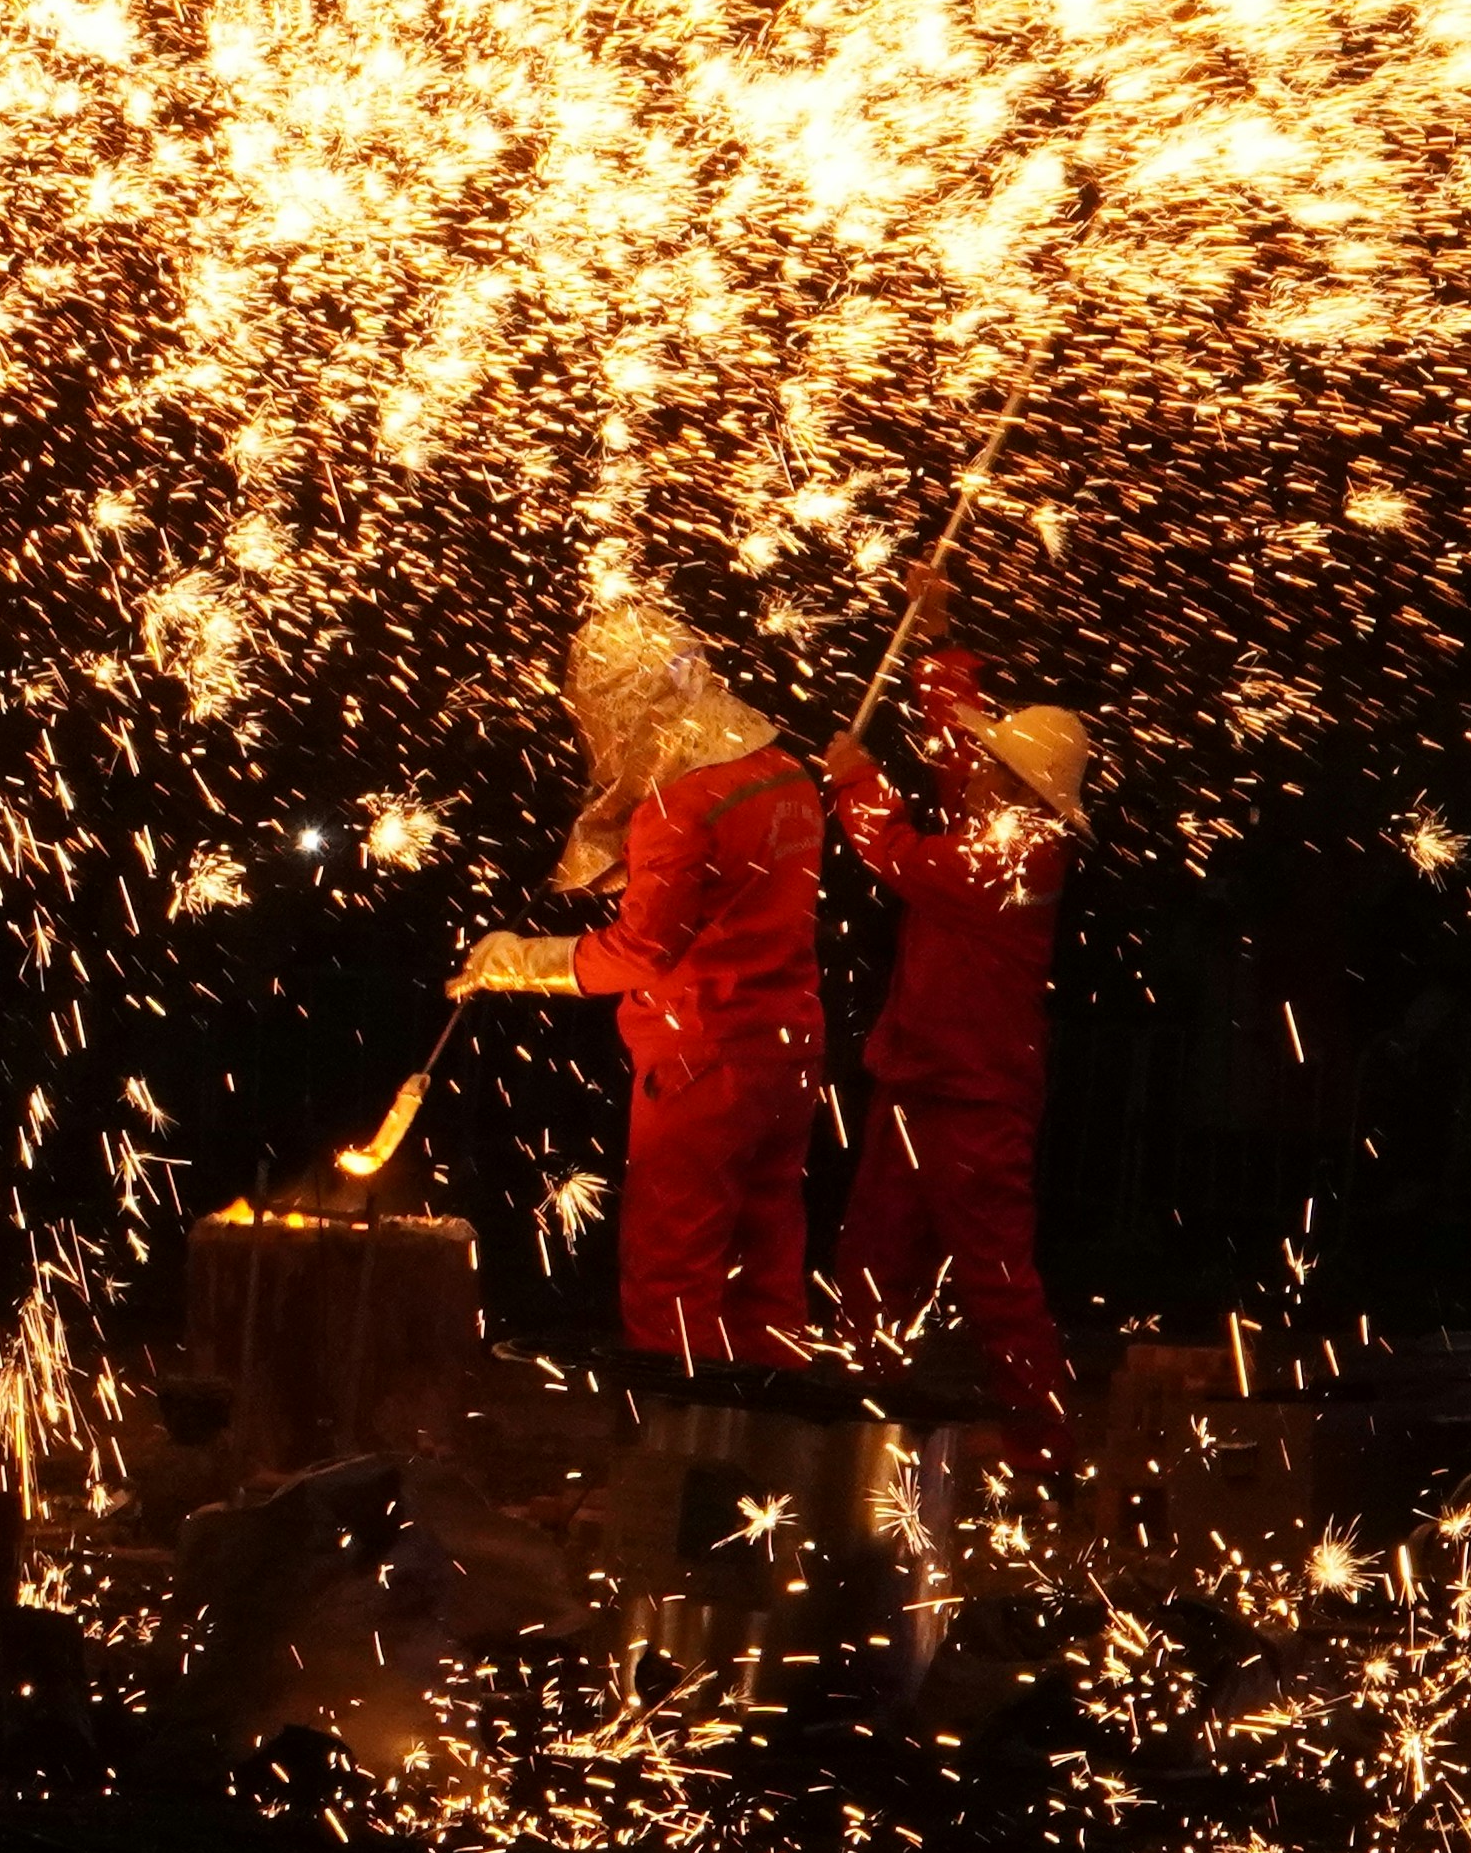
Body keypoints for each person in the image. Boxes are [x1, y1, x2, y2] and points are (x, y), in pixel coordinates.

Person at [458, 600, 826, 1378]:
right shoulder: (784, 772)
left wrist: (516, 961)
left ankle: (674, 1466)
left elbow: (642, 952)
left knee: (674, 1275)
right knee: (768, 1273)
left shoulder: (678, 803)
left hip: (702, 1062)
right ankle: (776, 1456)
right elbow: (737, 891)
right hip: (790, 1052)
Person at [823, 568, 1093, 1467]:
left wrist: (854, 785)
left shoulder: (1018, 857)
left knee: (995, 1280)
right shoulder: (1000, 820)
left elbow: (899, 853)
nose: (972, 767)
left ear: (1019, 788)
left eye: (992, 764)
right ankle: (861, 1415)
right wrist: (936, 637)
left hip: (975, 1101)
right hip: (922, 1081)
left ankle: (1044, 1440)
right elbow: (951, 748)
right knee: (873, 1261)